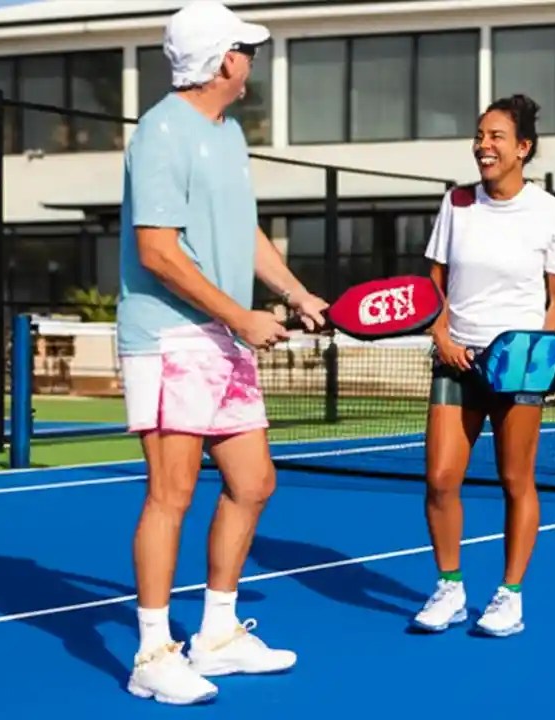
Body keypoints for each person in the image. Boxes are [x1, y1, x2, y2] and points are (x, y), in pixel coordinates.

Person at [115, 1, 328, 706]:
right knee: (170, 495)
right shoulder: (160, 133)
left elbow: (244, 233)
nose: (253, 62)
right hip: (170, 337)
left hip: (222, 336)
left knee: (254, 481)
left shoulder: (228, 134)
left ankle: (217, 635)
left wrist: (296, 294)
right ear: (224, 60)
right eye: (248, 50)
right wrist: (241, 314)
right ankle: (152, 653)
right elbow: (156, 251)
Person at [412, 94, 555, 637]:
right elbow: (431, 287)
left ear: (523, 148)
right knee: (439, 479)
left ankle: (509, 596)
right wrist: (440, 334)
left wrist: (535, 352)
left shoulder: (550, 212)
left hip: (519, 368)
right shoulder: (456, 203)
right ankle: (451, 588)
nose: (483, 145)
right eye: (480, 135)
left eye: (496, 137)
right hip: (456, 360)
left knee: (515, 479)